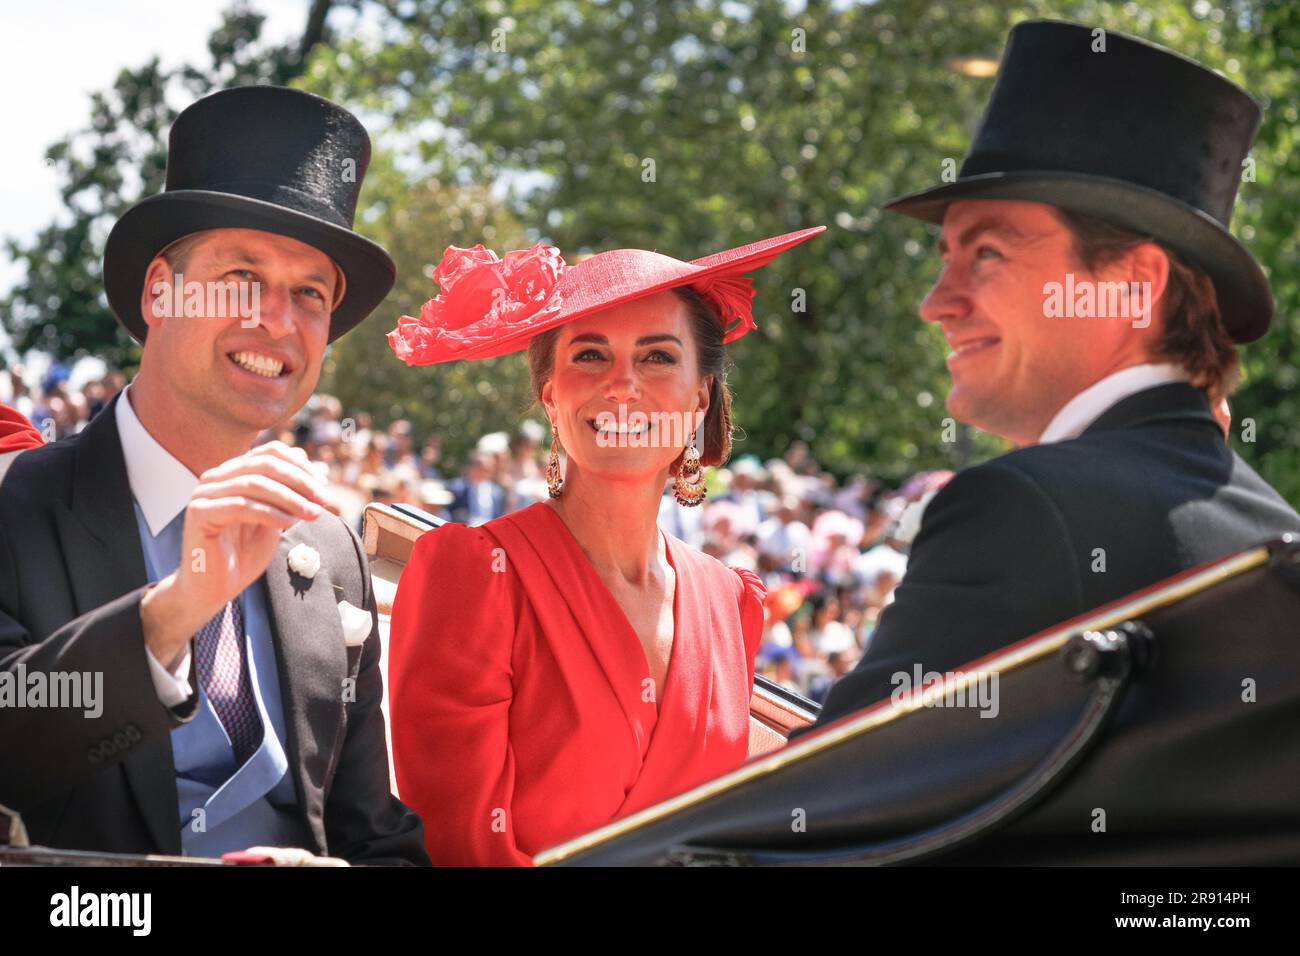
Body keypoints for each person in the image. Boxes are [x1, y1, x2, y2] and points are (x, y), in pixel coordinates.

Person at [797, 20, 1300, 736]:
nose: (935, 303)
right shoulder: (1277, 532)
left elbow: (813, 811)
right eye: (944, 258)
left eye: (988, 253)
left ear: (1132, 283)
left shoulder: (1021, 506)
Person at [0, 86, 427, 864]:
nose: (277, 319)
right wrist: (171, 612)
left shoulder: (329, 548)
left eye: (310, 293)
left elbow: (372, 834)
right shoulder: (16, 504)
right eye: (241, 275)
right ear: (159, 289)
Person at [386, 226, 824, 864]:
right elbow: (461, 845)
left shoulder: (732, 603)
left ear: (700, 396)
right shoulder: (474, 575)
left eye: (657, 357)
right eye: (589, 356)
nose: (622, 385)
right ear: (550, 396)